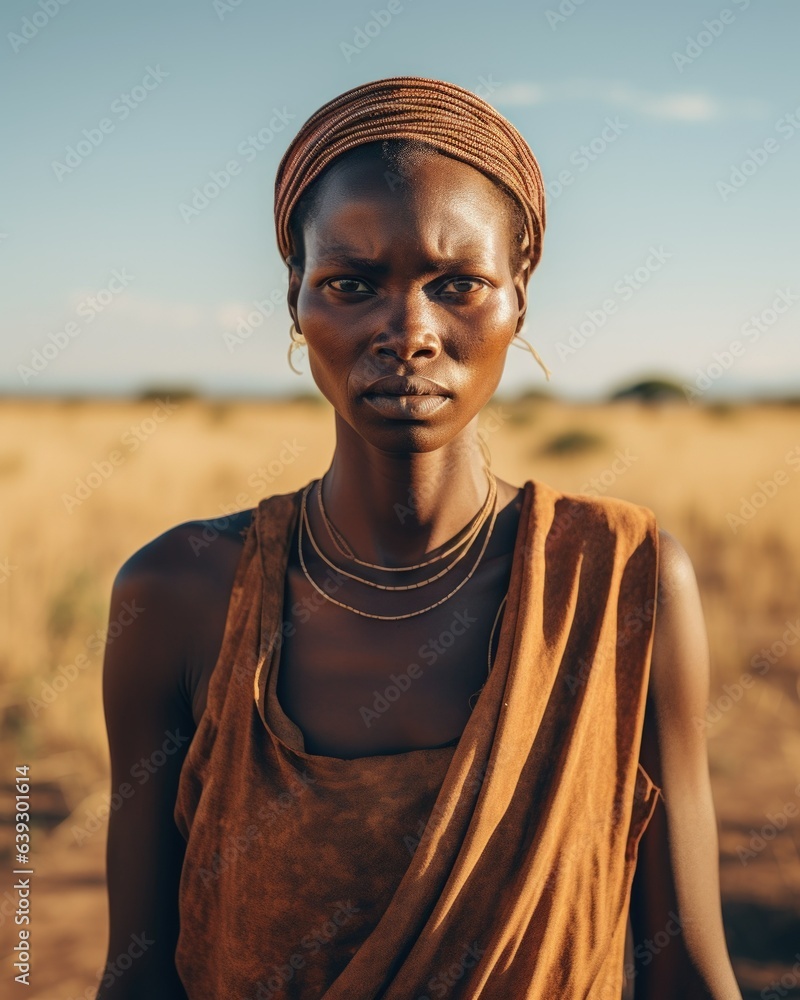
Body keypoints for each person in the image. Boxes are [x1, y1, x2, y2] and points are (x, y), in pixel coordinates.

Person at [97, 77, 742, 998]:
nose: (408, 332)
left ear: (520, 299)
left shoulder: (623, 585)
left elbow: (683, 969)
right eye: (351, 284)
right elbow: (137, 974)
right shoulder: (179, 595)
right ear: (296, 300)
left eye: (459, 285)